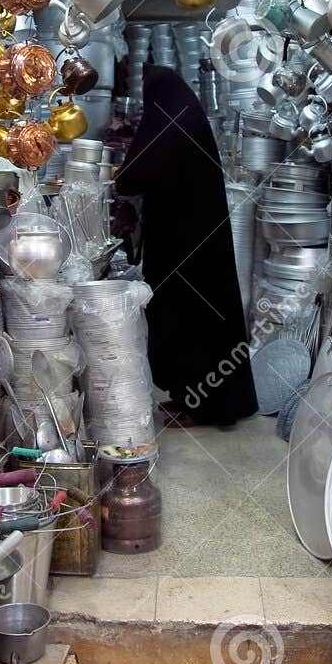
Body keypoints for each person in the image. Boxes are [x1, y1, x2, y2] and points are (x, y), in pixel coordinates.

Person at [114, 64, 258, 427]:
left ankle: (203, 406)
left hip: (186, 249)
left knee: (188, 326)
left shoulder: (172, 120)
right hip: (194, 245)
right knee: (195, 324)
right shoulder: (184, 113)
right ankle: (192, 400)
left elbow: (133, 176)